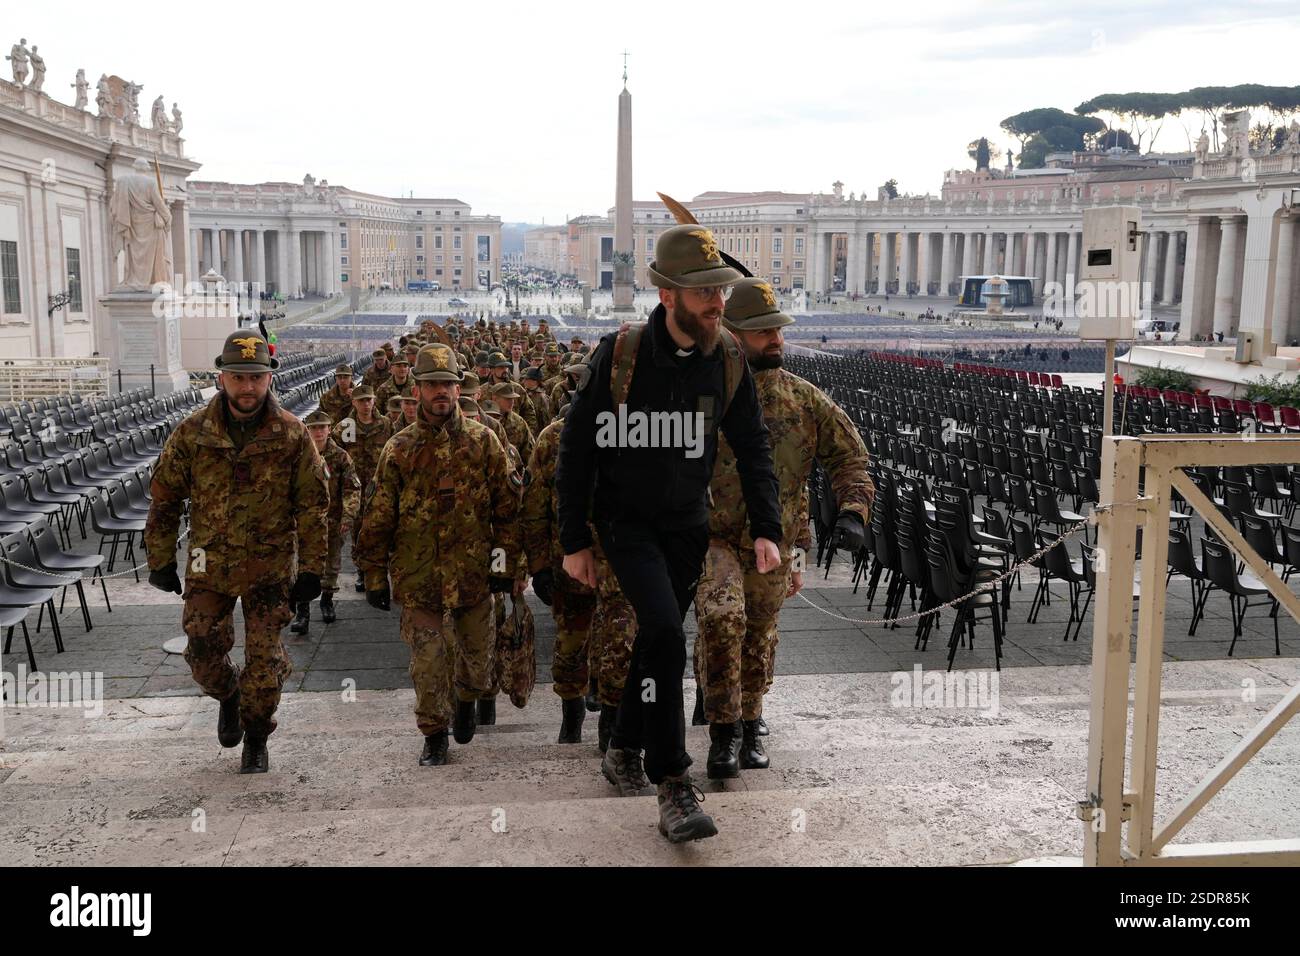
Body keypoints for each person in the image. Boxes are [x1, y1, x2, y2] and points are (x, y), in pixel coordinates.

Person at [556, 223, 783, 843]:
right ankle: (674, 784)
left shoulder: (728, 358)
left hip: (688, 526)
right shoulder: (621, 355)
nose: (718, 302)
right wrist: (574, 538)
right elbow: (576, 447)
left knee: (658, 642)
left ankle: (623, 744)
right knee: (662, 631)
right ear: (668, 297)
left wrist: (768, 528)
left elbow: (753, 446)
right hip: (626, 524)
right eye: (705, 291)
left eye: (720, 289)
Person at [693, 279, 873, 776]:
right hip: (712, 537)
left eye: (777, 329)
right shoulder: (704, 394)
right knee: (721, 618)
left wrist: (853, 513)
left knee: (758, 634)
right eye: (760, 331)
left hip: (775, 542)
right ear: (733, 334)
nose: (774, 339)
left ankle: (751, 721)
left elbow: (851, 459)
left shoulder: (804, 400)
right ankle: (723, 734)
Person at [144, 332, 328, 773]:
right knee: (203, 652)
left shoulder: (291, 433)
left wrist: (313, 570)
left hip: (270, 568)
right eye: (239, 377)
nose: (248, 387)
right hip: (211, 565)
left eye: (257, 378)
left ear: (269, 380)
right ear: (221, 377)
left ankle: (258, 737)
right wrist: (161, 559)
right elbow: (165, 499)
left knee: (264, 665)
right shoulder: (192, 434)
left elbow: (313, 505)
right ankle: (228, 694)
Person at [356, 343, 523, 765]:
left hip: (473, 574)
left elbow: (507, 511)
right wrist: (374, 575)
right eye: (432, 384)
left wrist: (505, 566)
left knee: (478, 661)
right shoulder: (399, 449)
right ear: (417, 391)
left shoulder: (484, 443)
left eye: (447, 383)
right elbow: (378, 517)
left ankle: (467, 700)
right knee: (428, 664)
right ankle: (433, 735)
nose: (441, 392)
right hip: (420, 577)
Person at [299, 409, 362, 630]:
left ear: (329, 429)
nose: (318, 432)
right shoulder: (299, 455)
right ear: (308, 429)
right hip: (305, 520)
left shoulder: (341, 456)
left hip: (333, 518)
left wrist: (348, 515)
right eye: (314, 428)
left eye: (322, 427)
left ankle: (327, 601)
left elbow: (352, 488)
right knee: (303, 565)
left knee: (332, 563)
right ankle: (302, 610)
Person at [331, 385, 393, 593]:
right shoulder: (344, 427)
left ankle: (377, 570)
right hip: (355, 487)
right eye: (362, 401)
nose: (366, 404)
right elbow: (334, 455)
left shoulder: (385, 425)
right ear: (354, 403)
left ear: (374, 401)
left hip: (378, 486)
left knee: (379, 528)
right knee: (357, 530)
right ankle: (361, 570)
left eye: (369, 400)